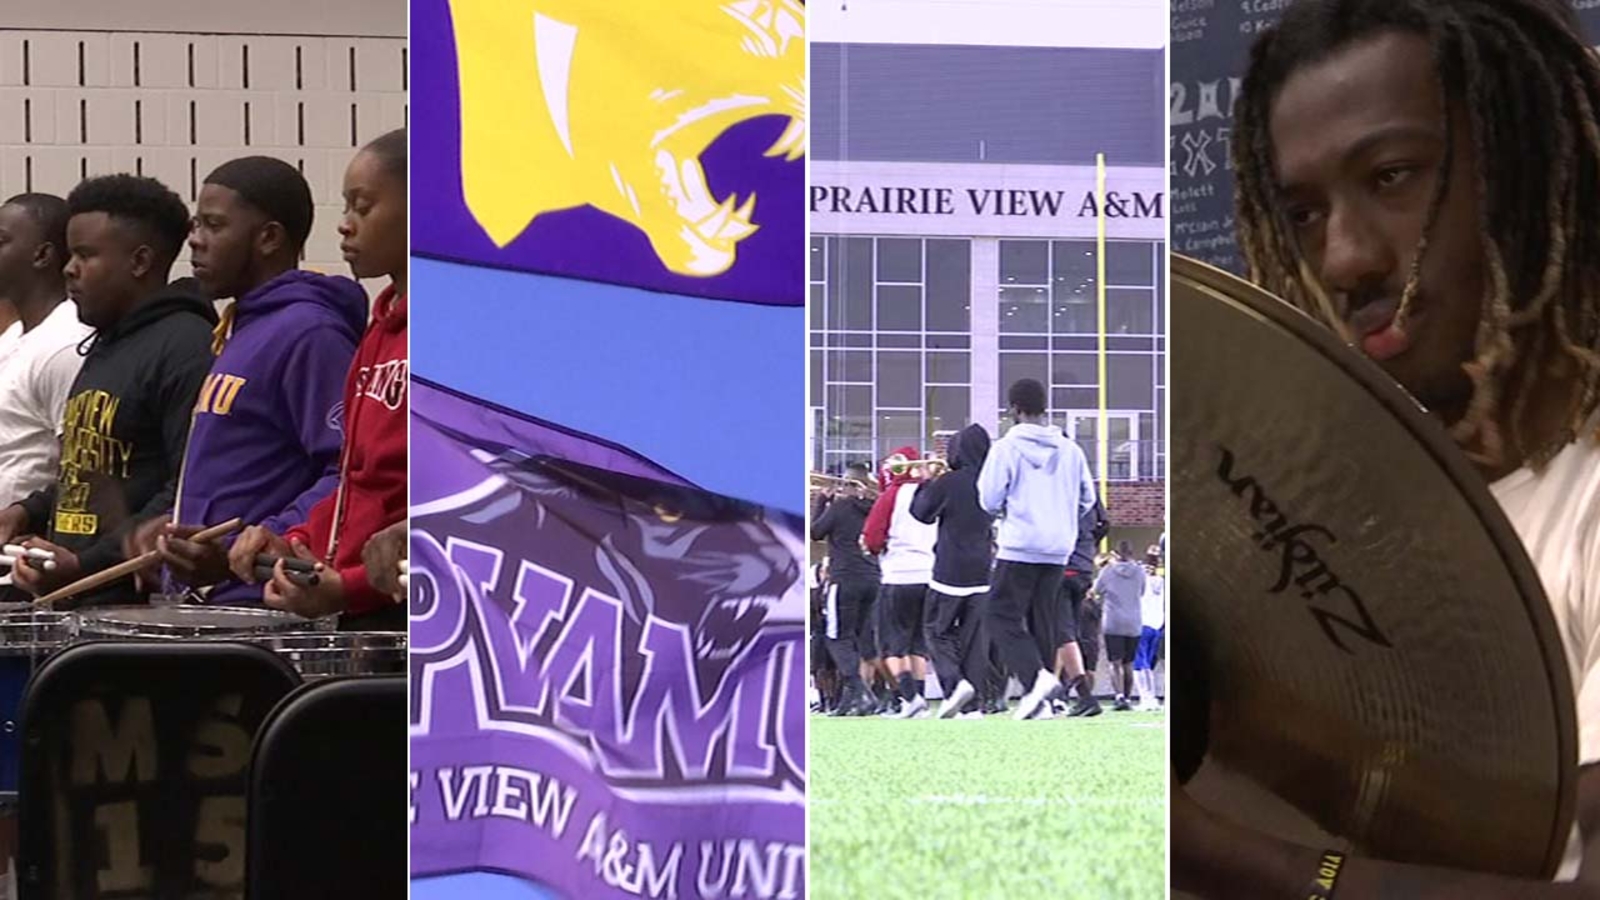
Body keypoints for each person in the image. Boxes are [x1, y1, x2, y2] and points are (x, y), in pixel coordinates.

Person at [1177, 0, 1600, 894]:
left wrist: (1229, 860)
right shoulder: (1319, 511)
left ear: (1533, 171)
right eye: (1301, 212)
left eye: (1394, 176)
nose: (1344, 259)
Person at [128, 156, 366, 605]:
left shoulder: (310, 332)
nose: (195, 241)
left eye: (214, 226)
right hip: (215, 602)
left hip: (265, 605)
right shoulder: (242, 328)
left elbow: (348, 473)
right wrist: (173, 524)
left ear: (268, 238)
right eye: (196, 225)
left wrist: (260, 539)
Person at [0, 175, 216, 605]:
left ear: (139, 262)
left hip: (133, 609)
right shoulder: (104, 343)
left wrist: (86, 565)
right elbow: (87, 470)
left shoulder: (186, 346)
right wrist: (29, 510)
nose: (69, 268)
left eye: (85, 254)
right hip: (75, 598)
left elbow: (186, 489)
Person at [228, 129, 407, 630]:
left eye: (363, 208)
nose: (345, 227)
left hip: (408, 610)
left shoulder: (449, 334)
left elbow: (445, 504)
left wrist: (348, 587)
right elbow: (358, 482)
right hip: (358, 598)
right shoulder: (379, 326)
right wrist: (298, 537)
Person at [977, 378, 1098, 720]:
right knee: (1043, 620)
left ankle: (1036, 681)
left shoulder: (1005, 448)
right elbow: (1088, 498)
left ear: (1013, 409)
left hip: (1020, 545)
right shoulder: (1070, 449)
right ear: (1044, 408)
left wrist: (1006, 513)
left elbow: (988, 498)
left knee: (999, 614)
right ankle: (1041, 703)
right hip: (1059, 547)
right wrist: (1061, 518)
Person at [0, 194, 91, 511]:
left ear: (42, 255)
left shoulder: (66, 344)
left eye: (1, 240)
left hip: (25, 546)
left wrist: (33, 518)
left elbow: (81, 468)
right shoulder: (14, 336)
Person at [908, 424, 996, 719]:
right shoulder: (993, 481)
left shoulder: (949, 481)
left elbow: (921, 514)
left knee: (935, 631)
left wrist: (927, 482)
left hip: (949, 569)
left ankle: (954, 684)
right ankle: (973, 707)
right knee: (974, 641)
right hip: (984, 570)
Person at [861, 447, 937, 719]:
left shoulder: (892, 494)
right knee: (918, 645)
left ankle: (909, 697)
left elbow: (873, 537)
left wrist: (872, 547)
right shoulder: (931, 494)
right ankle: (919, 700)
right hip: (929, 574)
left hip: (898, 574)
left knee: (891, 644)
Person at [811, 462, 881, 716]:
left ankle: (860, 691)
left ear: (850, 484)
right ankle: (849, 702)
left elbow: (816, 532)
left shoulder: (839, 507)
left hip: (845, 578)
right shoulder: (874, 508)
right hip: (872, 578)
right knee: (859, 639)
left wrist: (821, 503)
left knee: (837, 638)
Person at [1058, 496, 1110, 716]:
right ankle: (1075, 695)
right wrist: (1088, 545)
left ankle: (1057, 695)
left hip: (1061, 565)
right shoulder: (1089, 491)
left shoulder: (1058, 489)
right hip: (1082, 568)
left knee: (1059, 633)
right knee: (1066, 631)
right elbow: (1104, 523)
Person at [1095, 541, 1145, 712]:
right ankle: (1129, 697)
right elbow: (1142, 591)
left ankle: (1119, 696)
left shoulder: (1107, 571)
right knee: (1128, 663)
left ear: (1115, 554)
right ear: (1131, 553)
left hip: (1113, 621)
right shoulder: (1140, 571)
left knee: (1114, 662)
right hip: (1134, 622)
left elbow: (1096, 590)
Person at [1133, 548, 1164, 712]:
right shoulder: (1160, 581)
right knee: (1149, 661)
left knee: (1140, 662)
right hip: (1157, 624)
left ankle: (1145, 698)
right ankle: (1152, 697)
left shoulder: (1142, 581)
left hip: (1143, 623)